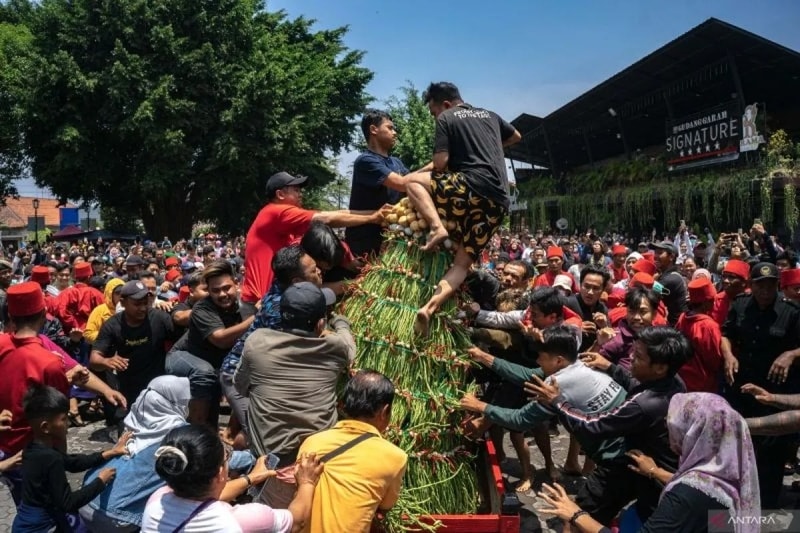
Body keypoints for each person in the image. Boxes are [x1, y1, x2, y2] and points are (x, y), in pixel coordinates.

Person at [528, 326, 690, 524]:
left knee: (580, 516)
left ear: (660, 367)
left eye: (638, 356)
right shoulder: (675, 382)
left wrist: (557, 401)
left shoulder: (642, 405)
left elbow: (592, 425)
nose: (631, 358)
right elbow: (635, 385)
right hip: (648, 467)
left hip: (649, 477)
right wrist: (611, 367)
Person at [537, 392, 760, 533]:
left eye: (675, 426)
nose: (670, 431)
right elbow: (707, 507)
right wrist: (655, 471)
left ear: (694, 434)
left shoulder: (685, 497)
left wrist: (576, 514)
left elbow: (692, 500)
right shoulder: (727, 472)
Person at [403, 82, 521, 335]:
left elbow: (441, 164)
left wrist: (418, 172)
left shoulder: (447, 117)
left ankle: (436, 229)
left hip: (470, 186)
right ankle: (429, 308)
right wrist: (490, 148)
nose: (435, 116)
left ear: (444, 105)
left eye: (433, 112)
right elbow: (516, 136)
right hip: (499, 202)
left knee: (411, 182)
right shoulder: (490, 115)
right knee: (461, 265)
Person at [79, 376, 264, 532]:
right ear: (175, 402)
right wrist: (256, 457)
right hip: (116, 516)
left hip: (87, 496)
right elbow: (215, 458)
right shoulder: (177, 433)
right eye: (185, 401)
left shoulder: (135, 417)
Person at [234, 282, 354, 508]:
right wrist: (340, 322)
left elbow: (240, 387)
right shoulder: (335, 347)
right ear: (320, 323)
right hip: (317, 464)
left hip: (272, 465)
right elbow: (349, 345)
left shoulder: (257, 342)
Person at [460, 325, 627, 475]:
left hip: (615, 457)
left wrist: (480, 406)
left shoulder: (558, 383)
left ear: (558, 360)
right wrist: (483, 357)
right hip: (628, 440)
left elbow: (520, 420)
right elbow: (527, 375)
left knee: (587, 505)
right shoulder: (579, 364)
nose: (538, 361)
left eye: (541, 356)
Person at [240, 171, 387, 317]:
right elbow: (326, 218)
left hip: (274, 301)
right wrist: (372, 218)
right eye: (296, 190)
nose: (301, 194)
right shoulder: (276, 212)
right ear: (280, 195)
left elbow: (336, 213)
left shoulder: (292, 229)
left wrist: (376, 214)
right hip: (261, 304)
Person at [141, 425, 322, 533]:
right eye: (227, 456)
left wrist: (250, 478)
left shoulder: (158, 500)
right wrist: (307, 482)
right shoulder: (244, 518)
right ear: (220, 474)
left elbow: (207, 498)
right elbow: (297, 521)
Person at [721, 261, 800, 507]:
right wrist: (728, 355)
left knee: (770, 454)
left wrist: (791, 355)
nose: (765, 290)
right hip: (741, 387)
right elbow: (726, 334)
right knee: (736, 444)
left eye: (771, 284)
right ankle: (735, 502)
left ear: (778, 285)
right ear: (751, 286)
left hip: (774, 392)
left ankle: (765, 507)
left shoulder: (791, 312)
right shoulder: (741, 305)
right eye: (760, 285)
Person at [298, 370, 408, 533]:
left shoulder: (312, 443)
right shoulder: (396, 457)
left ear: (343, 404)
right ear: (385, 411)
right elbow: (385, 506)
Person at [12, 384, 128, 532]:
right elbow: (68, 502)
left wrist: (109, 453)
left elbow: (72, 463)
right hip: (40, 526)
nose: (68, 423)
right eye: (63, 419)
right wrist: (100, 481)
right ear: (45, 427)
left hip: (28, 519)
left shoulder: (33, 449)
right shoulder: (50, 458)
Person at [0, 282, 70, 504]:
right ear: (44, 312)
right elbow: (58, 421)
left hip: (6, 447)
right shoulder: (49, 363)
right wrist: (62, 459)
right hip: (35, 451)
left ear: (10, 314)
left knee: (24, 504)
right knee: (48, 510)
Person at [167, 261, 254, 425]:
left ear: (236, 284)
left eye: (226, 288)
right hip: (183, 356)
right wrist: (254, 320)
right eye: (215, 290)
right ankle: (197, 426)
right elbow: (220, 339)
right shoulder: (202, 309)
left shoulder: (245, 306)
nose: (222, 294)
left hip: (216, 362)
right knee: (205, 373)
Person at [90, 281, 178, 411]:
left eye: (145, 303)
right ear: (123, 302)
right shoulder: (112, 325)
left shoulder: (160, 318)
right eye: (137, 304)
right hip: (129, 385)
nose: (142, 308)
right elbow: (94, 360)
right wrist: (107, 361)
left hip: (159, 383)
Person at [346, 109, 410, 257]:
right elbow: (402, 183)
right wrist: (435, 165)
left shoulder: (396, 162)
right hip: (367, 244)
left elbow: (412, 183)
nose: (395, 133)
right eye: (390, 128)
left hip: (392, 239)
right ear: (374, 130)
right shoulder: (366, 161)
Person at [675, 277, 724, 393]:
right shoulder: (708, 326)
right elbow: (714, 360)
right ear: (705, 303)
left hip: (682, 377)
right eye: (712, 300)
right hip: (702, 382)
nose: (714, 302)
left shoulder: (683, 317)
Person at [649, 242, 687, 325]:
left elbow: (648, 294)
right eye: (655, 252)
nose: (655, 256)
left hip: (674, 330)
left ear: (671, 257)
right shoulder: (664, 276)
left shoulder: (671, 279)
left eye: (660, 253)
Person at [83, 278, 124, 344]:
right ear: (110, 294)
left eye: (123, 293)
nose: (121, 296)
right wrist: (108, 337)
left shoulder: (129, 307)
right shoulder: (100, 310)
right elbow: (88, 334)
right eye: (117, 293)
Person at [711, 258, 750, 326]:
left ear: (743, 282)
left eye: (731, 277)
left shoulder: (751, 300)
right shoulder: (716, 300)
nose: (725, 280)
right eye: (724, 276)